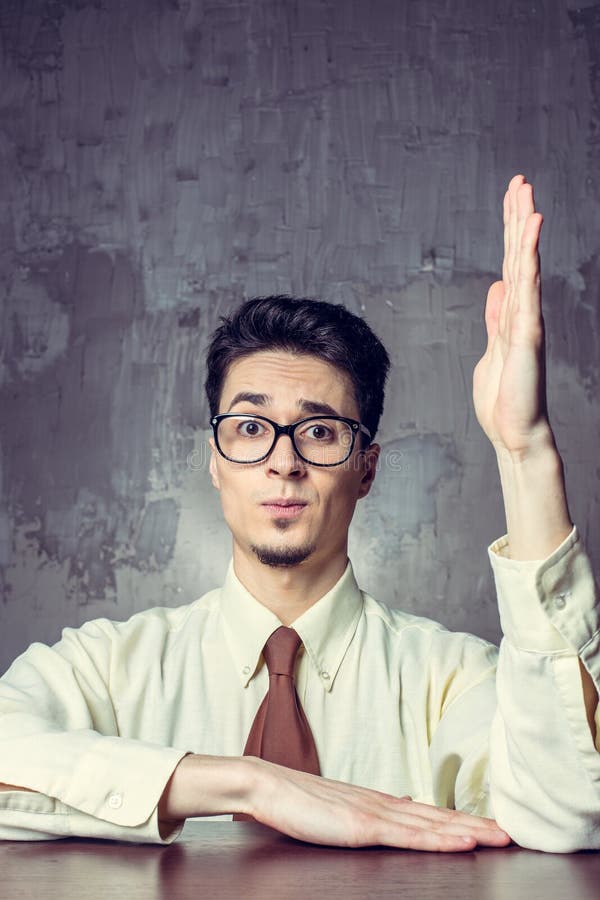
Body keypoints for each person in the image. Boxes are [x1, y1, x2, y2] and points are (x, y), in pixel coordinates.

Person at [0, 175, 598, 852]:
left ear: (365, 468)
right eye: (251, 429)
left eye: (318, 433)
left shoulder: (451, 680)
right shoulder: (106, 667)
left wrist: (524, 449)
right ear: (215, 460)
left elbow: (568, 815)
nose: (283, 463)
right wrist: (253, 784)